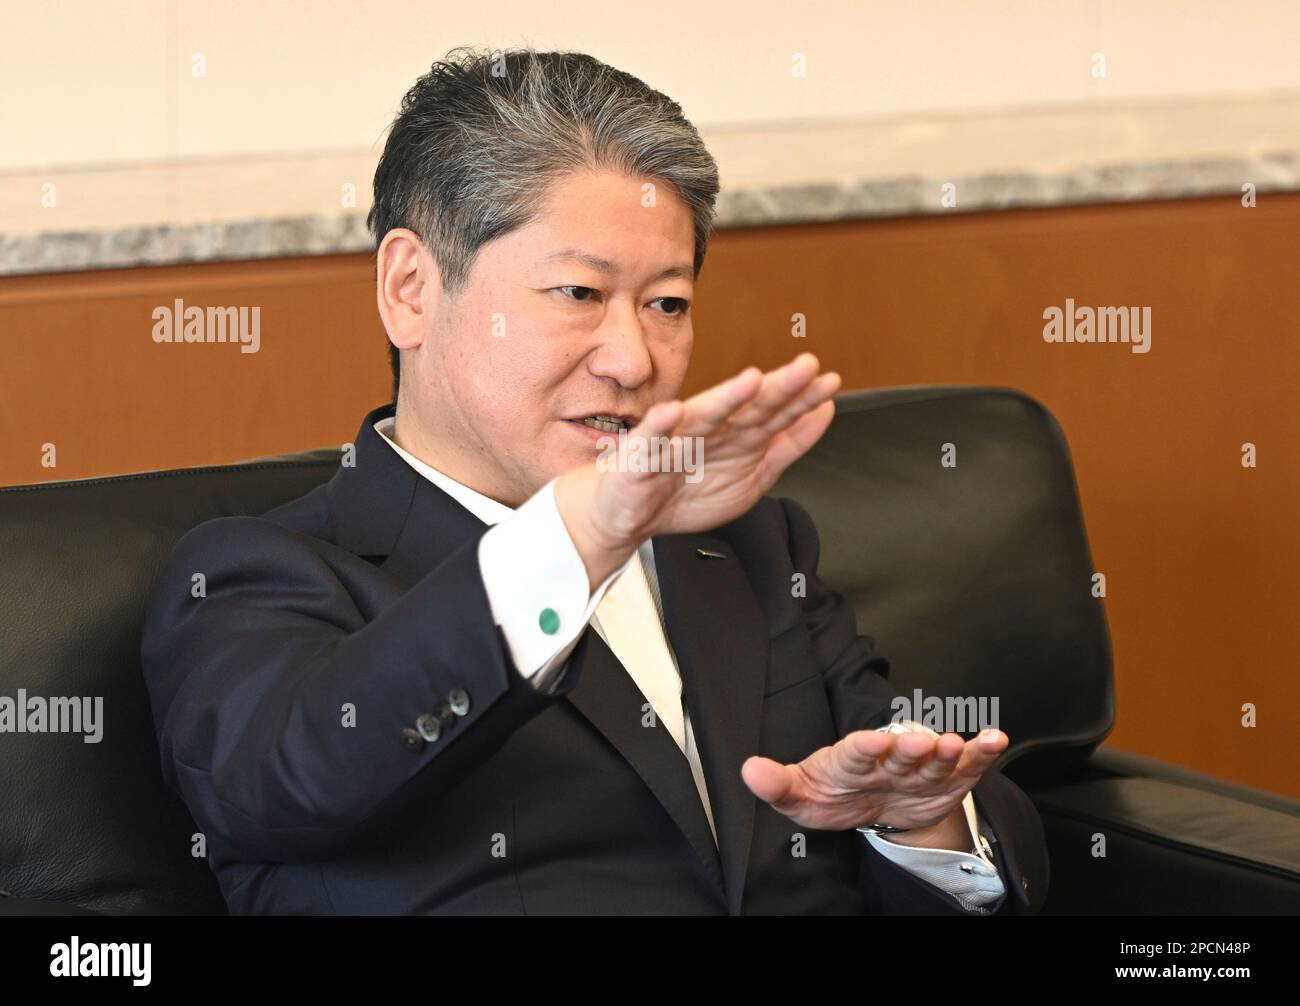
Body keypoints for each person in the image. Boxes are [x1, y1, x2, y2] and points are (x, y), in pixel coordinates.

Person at [140, 46, 1048, 915]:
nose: (633, 358)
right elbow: (293, 787)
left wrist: (917, 816)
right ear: (412, 288)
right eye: (579, 294)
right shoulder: (257, 578)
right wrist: (582, 536)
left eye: (668, 304)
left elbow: (938, 787)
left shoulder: (746, 544)